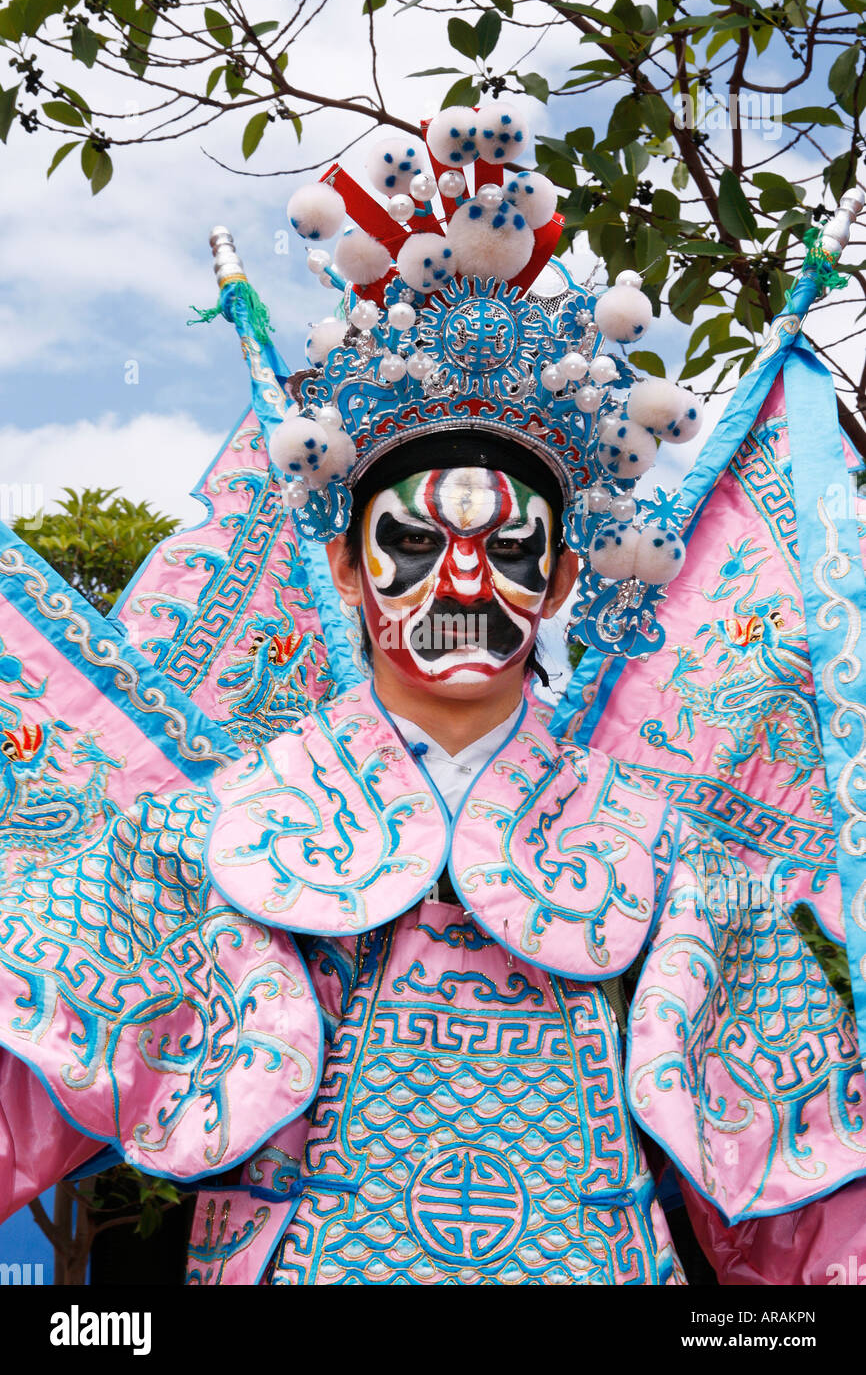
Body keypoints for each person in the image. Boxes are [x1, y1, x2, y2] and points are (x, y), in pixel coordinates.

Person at [1, 101, 866, 1287]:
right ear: (351, 566)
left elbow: (801, 1215)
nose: (463, 579)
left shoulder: (669, 859)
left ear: (562, 577)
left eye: (509, 549)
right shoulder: (206, 839)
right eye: (414, 541)